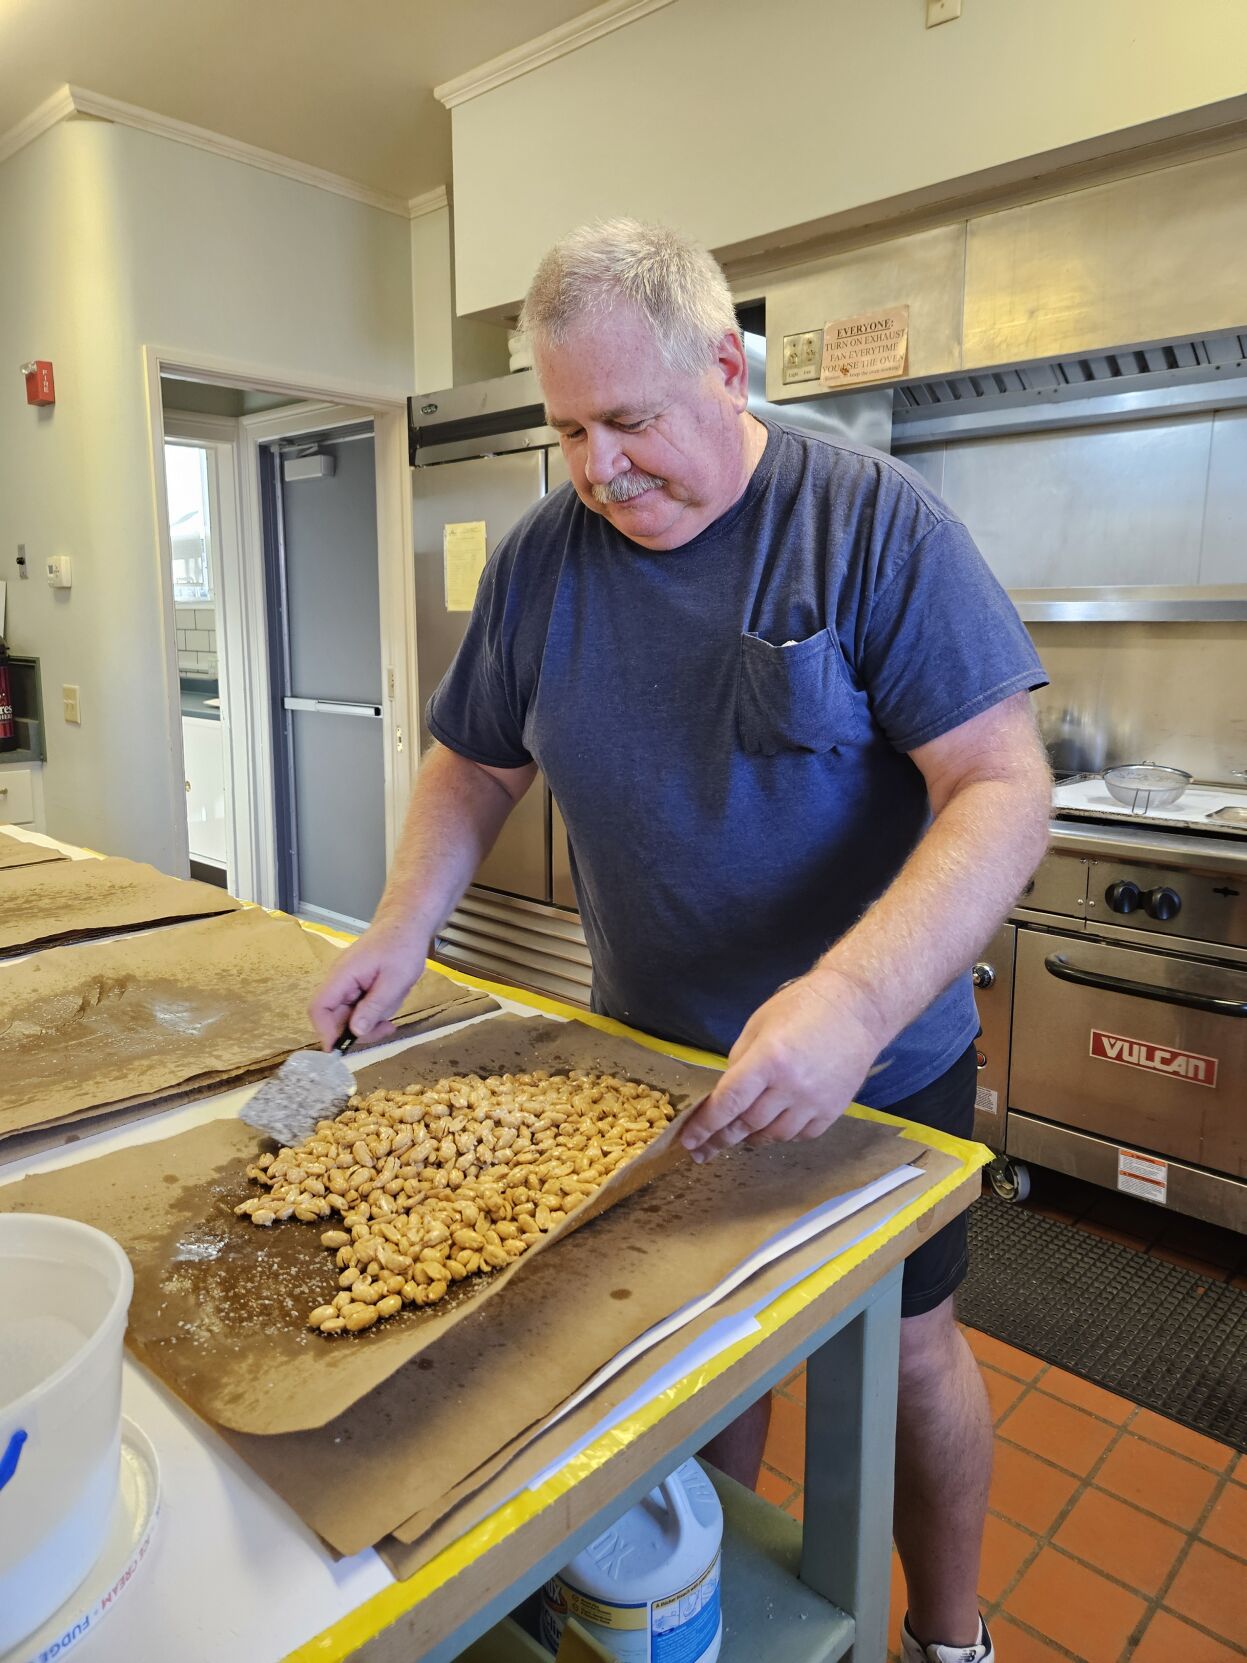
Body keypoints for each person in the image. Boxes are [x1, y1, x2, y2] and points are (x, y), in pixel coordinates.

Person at [310, 219, 1051, 1663]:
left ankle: (952, 1638)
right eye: (570, 428)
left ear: (728, 370)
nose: (598, 467)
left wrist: (844, 998)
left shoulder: (876, 528)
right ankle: (698, 1602)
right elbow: (474, 763)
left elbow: (1004, 792)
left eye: (631, 421)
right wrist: (402, 927)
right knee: (694, 1359)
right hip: (649, 1067)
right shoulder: (545, 559)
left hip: (877, 1057)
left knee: (900, 1355)